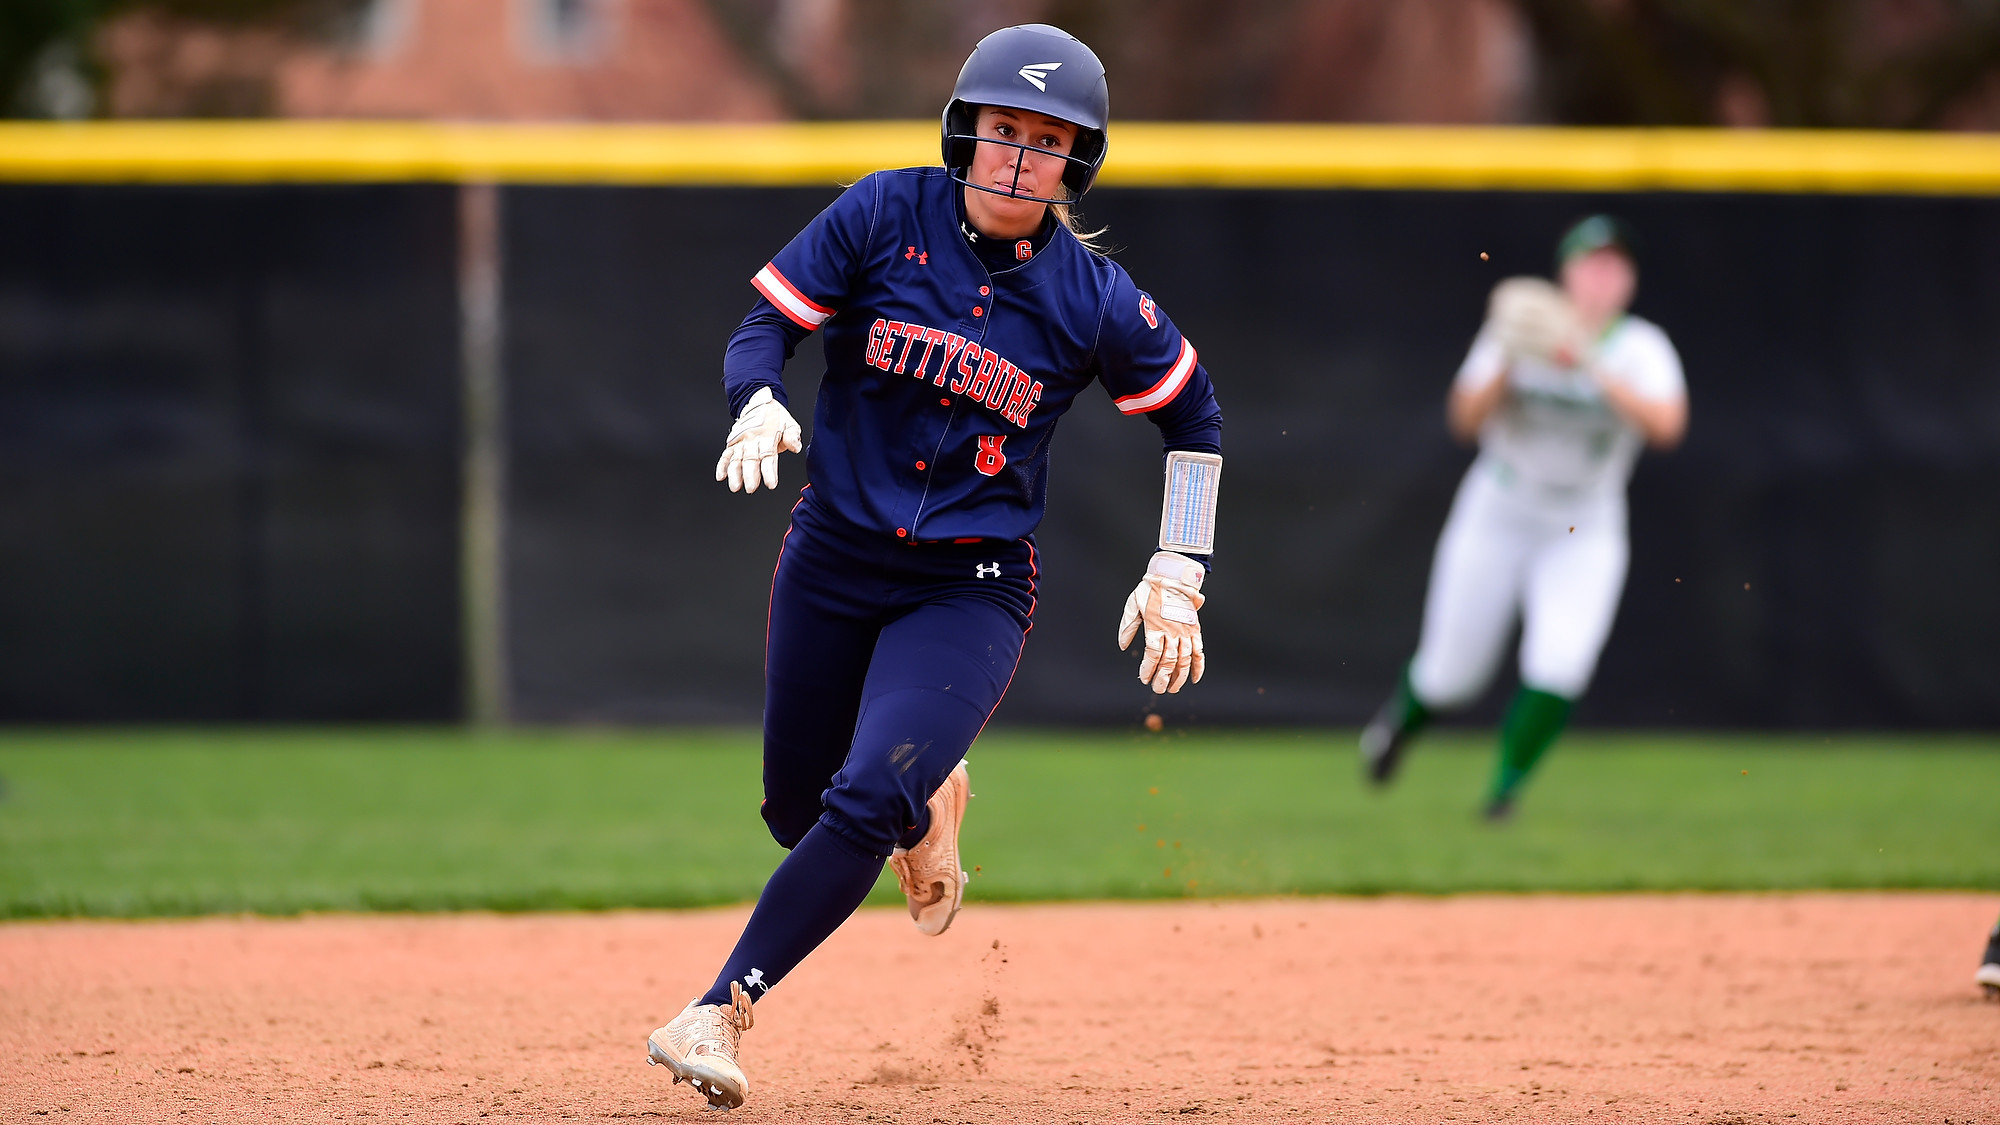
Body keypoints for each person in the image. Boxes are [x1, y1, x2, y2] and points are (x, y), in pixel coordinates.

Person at [643, 24, 1224, 1110]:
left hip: (969, 585)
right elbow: (765, 323)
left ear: (1075, 161)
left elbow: (1194, 415)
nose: (1016, 155)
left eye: (1045, 139)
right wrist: (755, 396)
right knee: (798, 810)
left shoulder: (1089, 297)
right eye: (1001, 127)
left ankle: (719, 1006)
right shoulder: (882, 211)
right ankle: (927, 808)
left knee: (862, 791)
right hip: (832, 553)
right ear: (965, 130)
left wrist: (1178, 561)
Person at [1359, 216, 1687, 820]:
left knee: (1561, 663)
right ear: (1566, 273)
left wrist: (1592, 367)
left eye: (1615, 265)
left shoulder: (1641, 349)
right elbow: (1464, 420)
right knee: (1452, 675)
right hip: (1500, 510)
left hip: (1584, 524)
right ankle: (1395, 729)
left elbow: (1667, 426)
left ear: (1630, 280)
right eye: (1591, 263)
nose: (1602, 277)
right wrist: (1512, 358)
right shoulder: (1518, 330)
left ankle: (1503, 794)